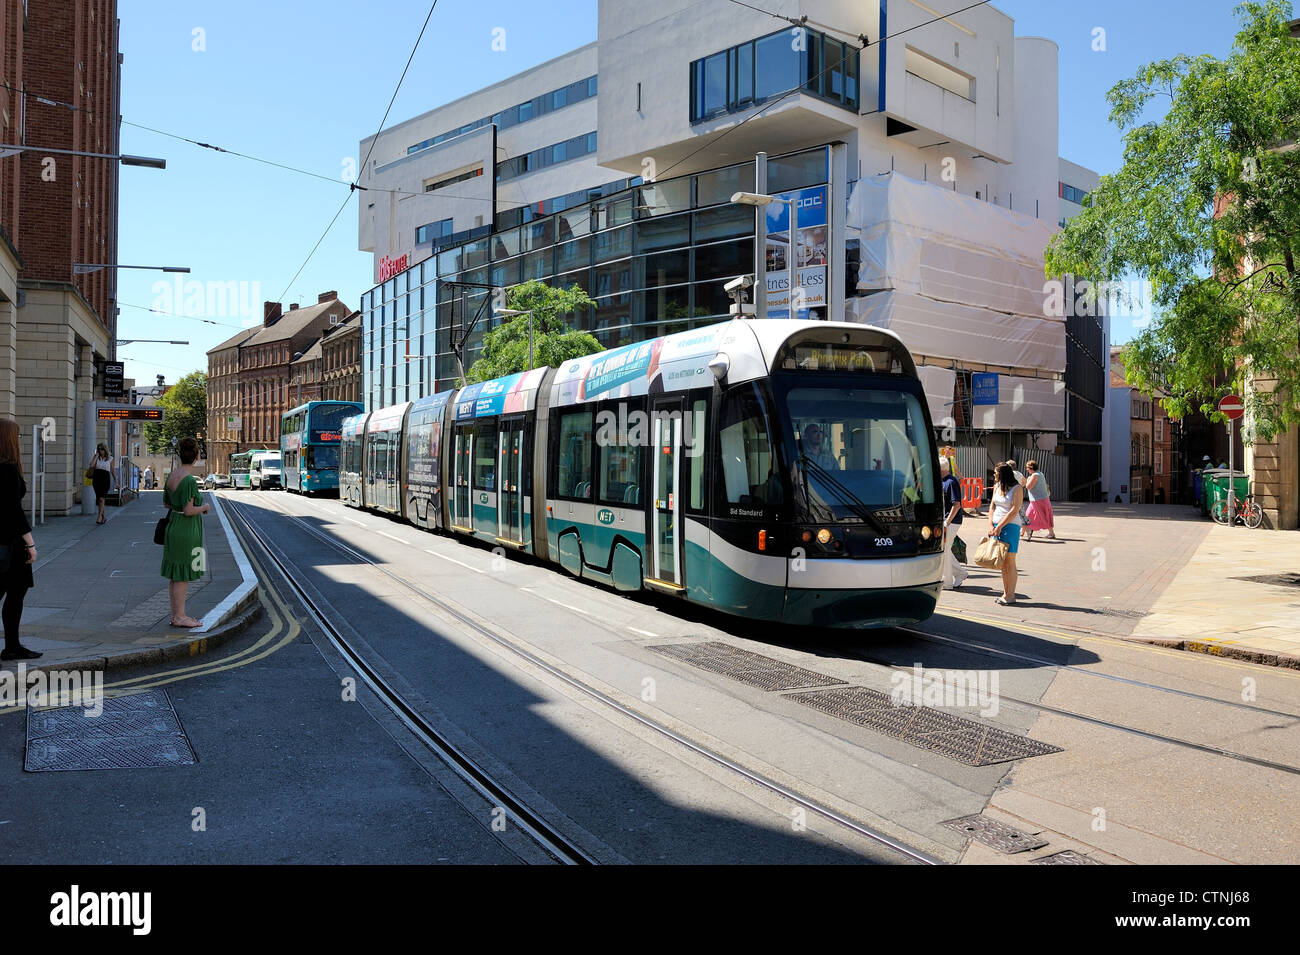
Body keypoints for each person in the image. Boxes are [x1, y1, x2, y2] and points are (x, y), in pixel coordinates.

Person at [0, 420, 40, 660]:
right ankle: (12, 646)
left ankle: (13, 646)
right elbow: (14, 510)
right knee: (15, 594)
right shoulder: (8, 469)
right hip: (11, 544)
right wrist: (31, 544)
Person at [161, 437, 211, 628]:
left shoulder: (172, 476)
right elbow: (189, 510)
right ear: (196, 457)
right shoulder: (189, 480)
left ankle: (175, 616)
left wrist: (178, 504)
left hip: (173, 526)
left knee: (175, 574)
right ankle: (181, 617)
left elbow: (166, 502)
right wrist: (205, 506)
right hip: (185, 529)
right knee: (182, 575)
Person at [987, 462, 1023, 605]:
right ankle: (1005, 592)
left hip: (1011, 526)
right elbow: (992, 506)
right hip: (996, 526)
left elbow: (1014, 510)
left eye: (996, 473)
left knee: (1010, 561)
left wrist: (1000, 525)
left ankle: (1011, 595)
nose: (994, 475)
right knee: (1002, 561)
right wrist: (990, 524)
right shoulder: (997, 486)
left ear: (1002, 474)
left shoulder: (1017, 488)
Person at [940, 457, 968, 589]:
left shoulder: (951, 482)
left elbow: (956, 505)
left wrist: (947, 521)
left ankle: (948, 582)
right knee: (945, 550)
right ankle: (959, 573)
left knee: (944, 550)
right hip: (948, 521)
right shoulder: (945, 481)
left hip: (952, 521)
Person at [1023, 459, 1056, 540]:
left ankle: (1051, 534)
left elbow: (1028, 486)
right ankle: (1023, 531)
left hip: (1038, 500)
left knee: (1043, 516)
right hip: (1039, 499)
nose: (1027, 470)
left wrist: (1027, 480)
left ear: (1031, 468)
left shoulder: (1034, 475)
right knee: (1028, 515)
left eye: (1027, 468)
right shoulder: (1040, 474)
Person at [86, 443, 116, 525]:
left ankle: (99, 516)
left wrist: (116, 482)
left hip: (105, 479)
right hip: (96, 479)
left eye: (102, 449)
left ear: (105, 450)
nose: (100, 451)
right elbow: (92, 465)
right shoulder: (96, 458)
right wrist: (96, 456)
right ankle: (104, 517)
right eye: (99, 449)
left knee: (102, 499)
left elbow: (113, 471)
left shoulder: (110, 459)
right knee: (99, 499)